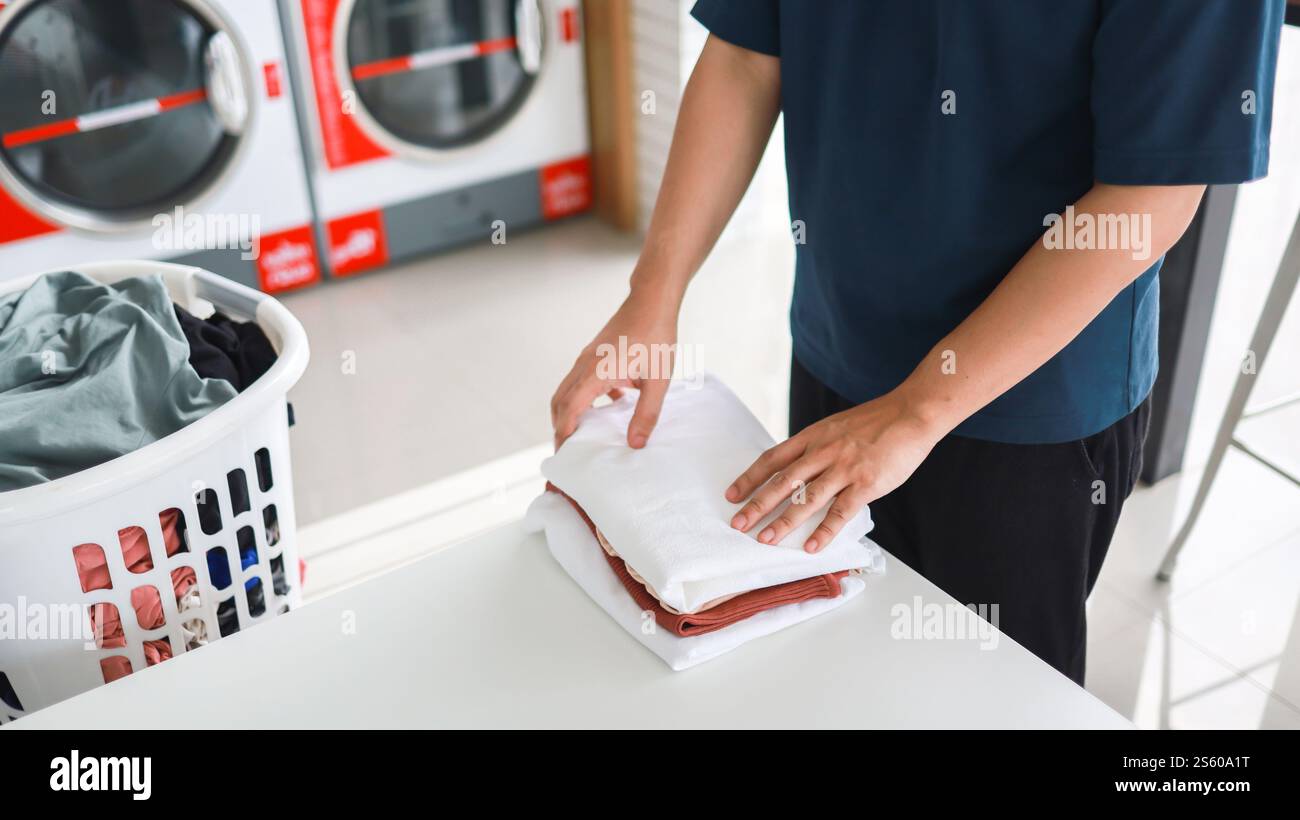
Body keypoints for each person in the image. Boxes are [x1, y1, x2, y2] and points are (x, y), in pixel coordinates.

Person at [550, 0, 1287, 683]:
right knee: (838, 671)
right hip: (838, 361)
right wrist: (654, 293)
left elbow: (1152, 192)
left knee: (983, 699)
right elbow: (746, 54)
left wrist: (917, 410)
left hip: (1024, 413)